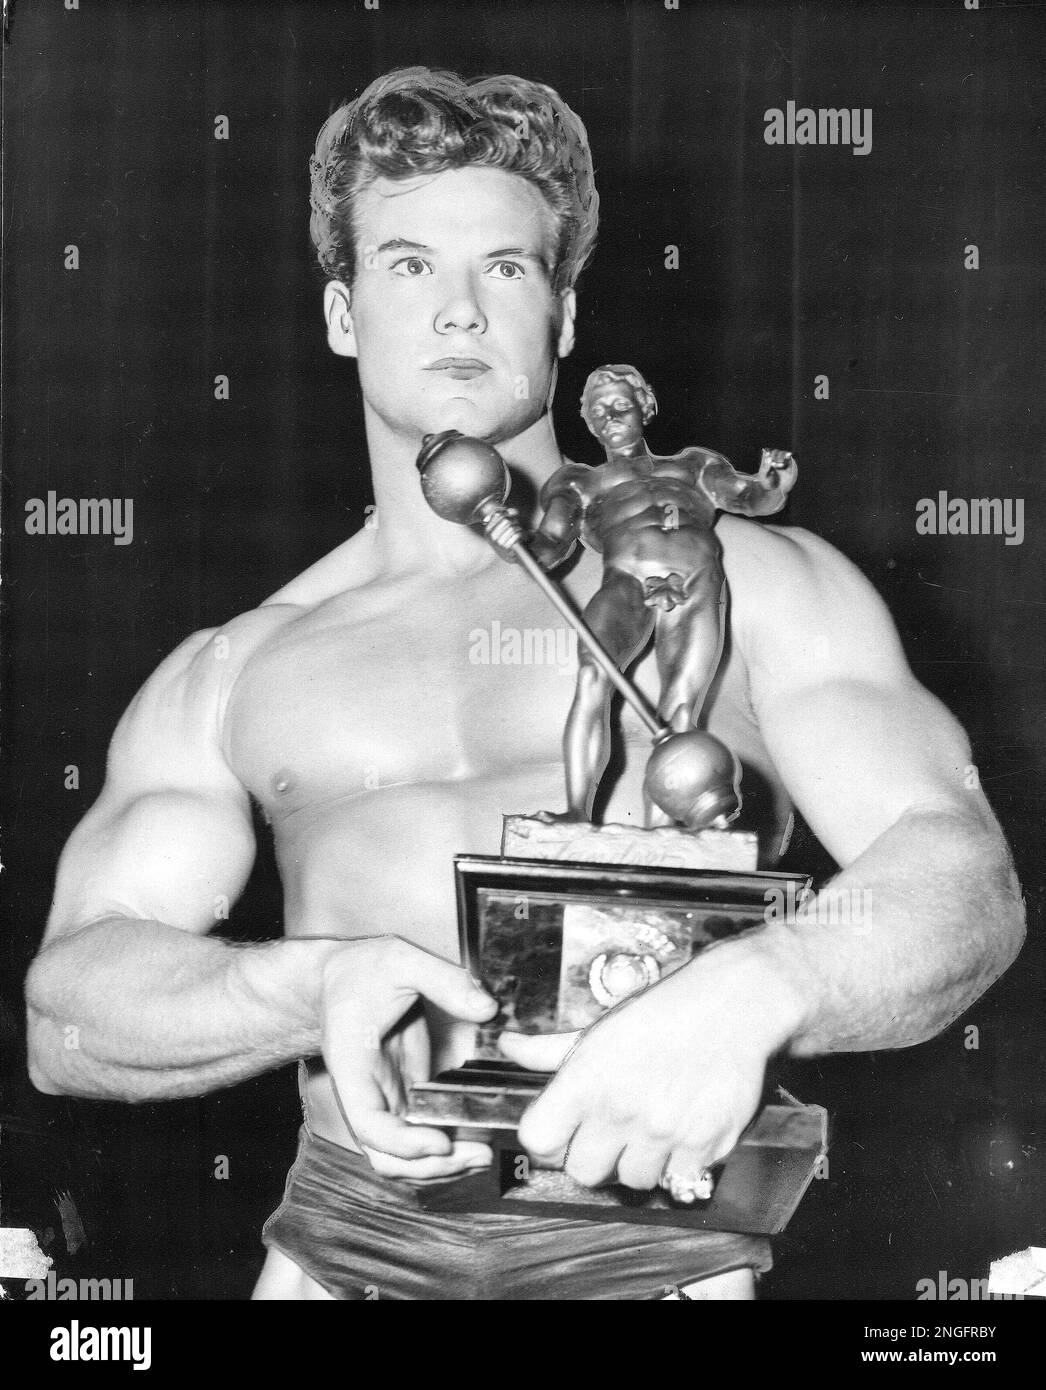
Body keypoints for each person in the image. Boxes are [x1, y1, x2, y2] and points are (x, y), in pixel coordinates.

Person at [25, 66, 1025, 1301]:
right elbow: (70, 1011)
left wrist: (765, 984)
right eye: (407, 266)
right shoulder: (240, 665)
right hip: (349, 1253)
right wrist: (307, 982)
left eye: (502, 268)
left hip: (666, 1249)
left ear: (559, 315)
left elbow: (959, 878)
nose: (457, 310)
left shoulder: (743, 579)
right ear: (340, 314)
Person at [487, 362, 798, 827]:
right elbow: (548, 548)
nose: (610, 416)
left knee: (681, 707)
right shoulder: (578, 483)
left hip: (696, 580)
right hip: (626, 581)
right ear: (589, 424)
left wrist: (774, 482)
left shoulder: (693, 464)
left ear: (644, 407)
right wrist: (511, 540)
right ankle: (577, 811)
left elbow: (749, 497)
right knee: (594, 676)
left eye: (620, 405)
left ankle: (666, 830)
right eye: (598, 411)